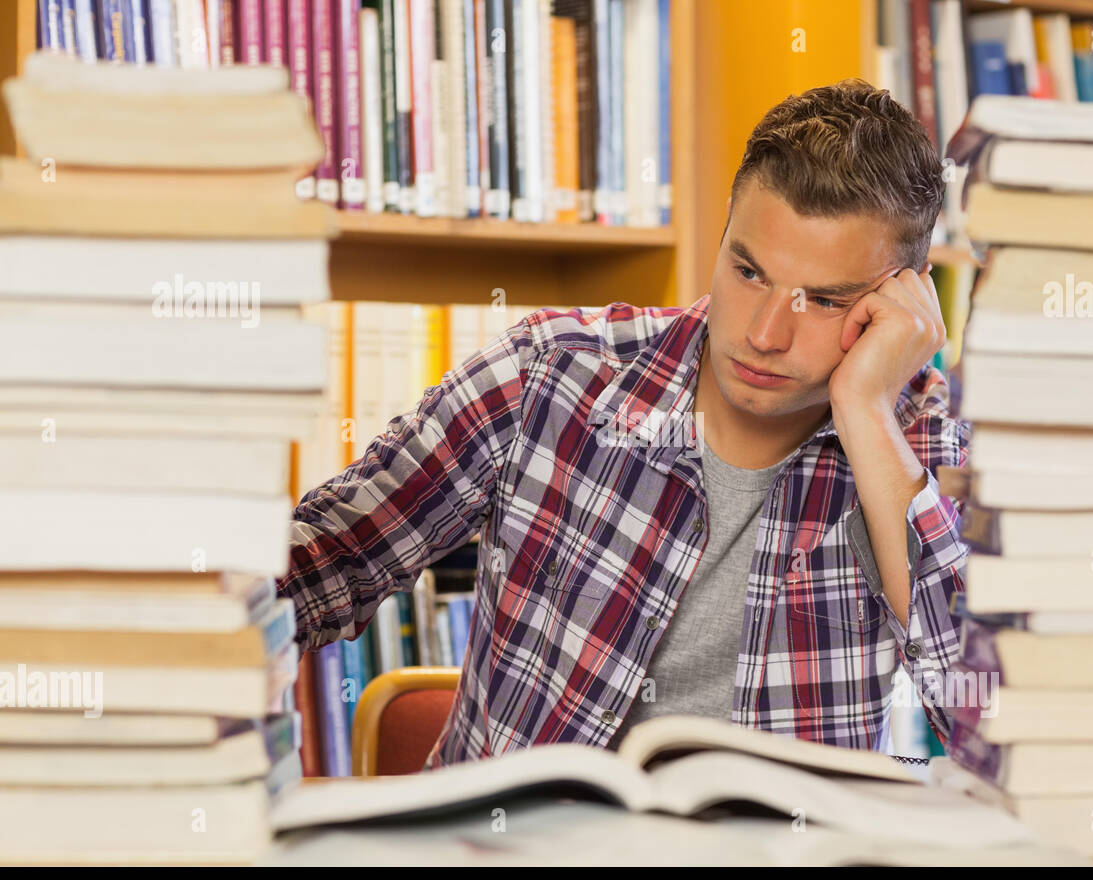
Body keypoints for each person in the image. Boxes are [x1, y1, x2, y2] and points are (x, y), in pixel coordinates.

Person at [277, 78, 970, 769]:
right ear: (724, 232)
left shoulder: (918, 445)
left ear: (899, 303)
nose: (763, 334)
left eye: (821, 300)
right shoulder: (550, 373)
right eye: (749, 271)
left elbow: (987, 728)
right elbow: (324, 565)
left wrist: (868, 415)